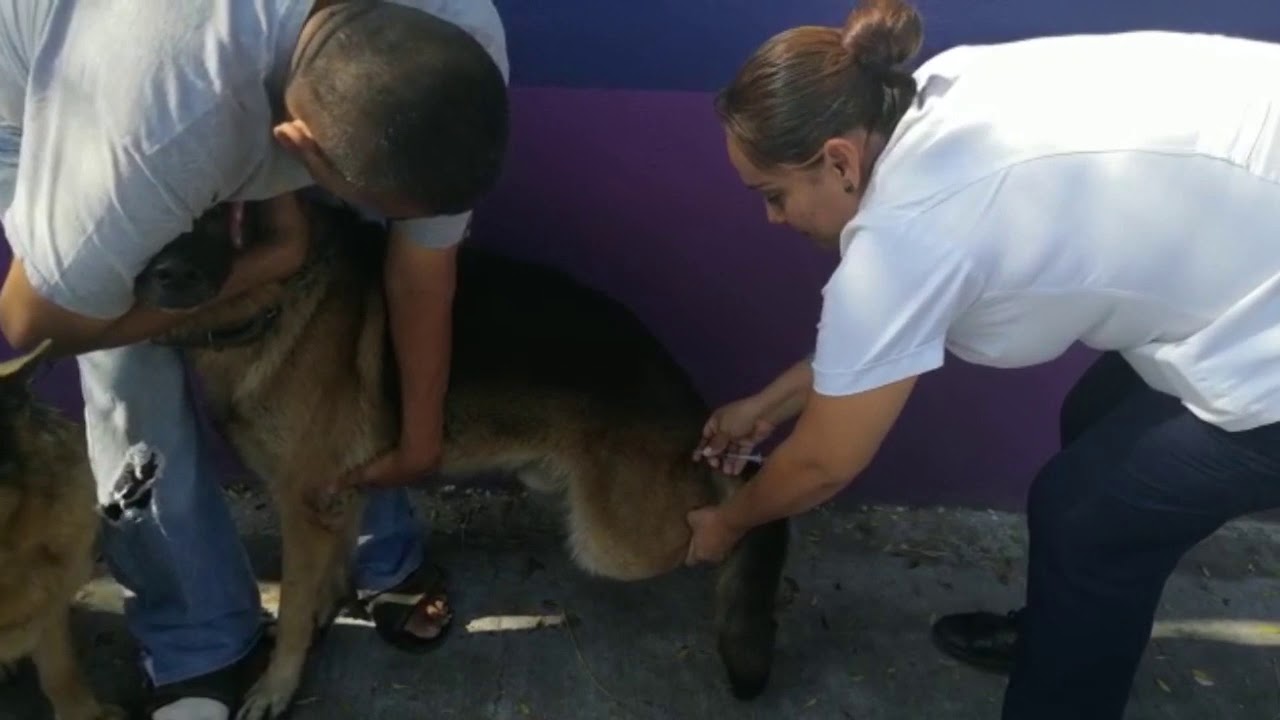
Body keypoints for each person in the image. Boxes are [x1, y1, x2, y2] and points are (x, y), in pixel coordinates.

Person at [683, 1, 1280, 718]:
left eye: (773, 195)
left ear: (839, 160)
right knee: (1095, 418)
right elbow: (890, 333)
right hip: (1255, 230)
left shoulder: (907, 237)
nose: (772, 219)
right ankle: (1070, 631)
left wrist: (729, 522)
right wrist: (768, 405)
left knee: (1086, 518)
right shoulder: (934, 94)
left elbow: (822, 464)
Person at [0, 0, 508, 717]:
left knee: (334, 346)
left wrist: (421, 438)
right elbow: (37, 322)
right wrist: (275, 257)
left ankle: (374, 545)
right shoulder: (149, 138)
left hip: (229, 72)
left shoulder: (458, 41)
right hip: (59, 98)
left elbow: (421, 269)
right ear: (298, 151)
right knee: (130, 367)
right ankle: (195, 640)